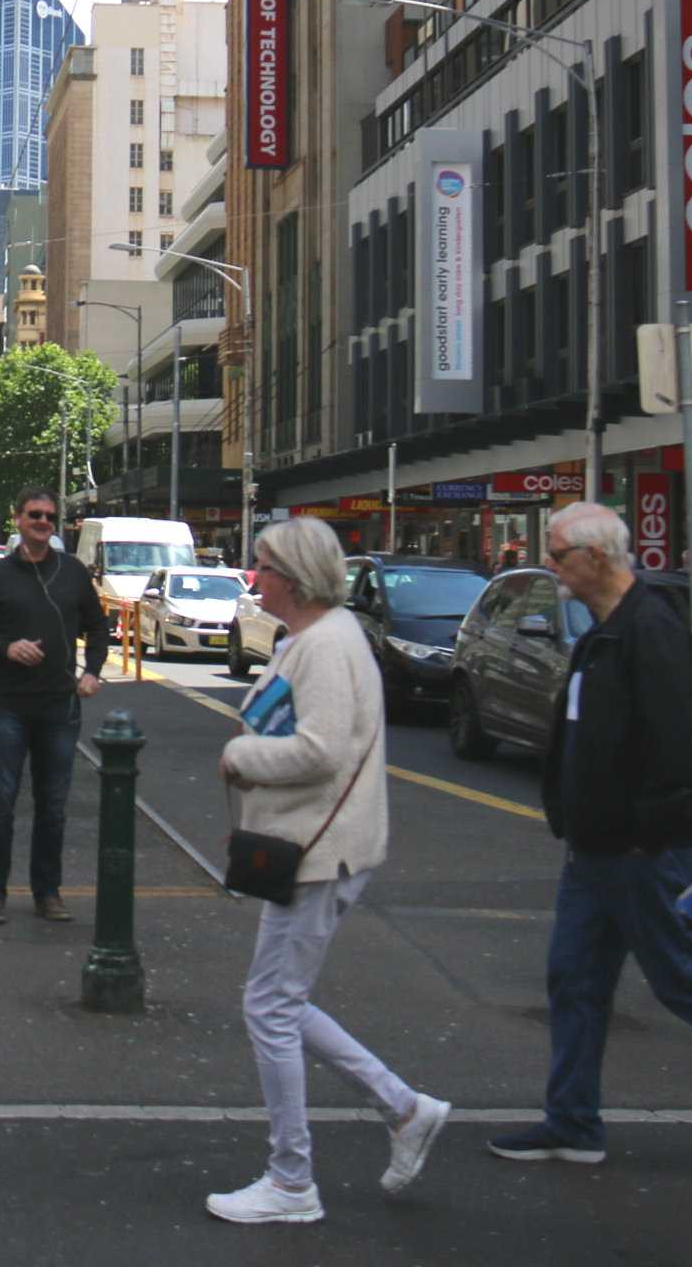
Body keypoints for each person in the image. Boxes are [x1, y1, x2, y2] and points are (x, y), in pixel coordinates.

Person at [490, 501, 692, 1167]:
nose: (550, 563)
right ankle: (572, 1121)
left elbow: (683, 753)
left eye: (559, 552)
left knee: (685, 982)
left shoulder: (647, 633)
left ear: (598, 558)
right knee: (573, 978)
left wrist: (644, 835)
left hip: (640, 852)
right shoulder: (607, 632)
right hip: (599, 850)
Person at [204, 517, 451, 1226]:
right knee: (280, 998)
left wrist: (240, 759)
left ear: (296, 575)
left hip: (321, 851)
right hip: (320, 845)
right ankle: (404, 1109)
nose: (254, 579)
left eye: (263, 567)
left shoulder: (326, 646)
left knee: (270, 1006)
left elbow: (318, 750)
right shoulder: (319, 639)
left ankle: (293, 1179)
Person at [0, 486, 109, 926]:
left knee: (53, 805)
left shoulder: (74, 573)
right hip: (6, 707)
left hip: (59, 707)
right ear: (17, 519)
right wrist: (5, 649)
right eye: (34, 515)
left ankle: (48, 892)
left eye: (49, 517)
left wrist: (92, 672)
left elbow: (98, 629)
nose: (42, 522)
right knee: (0, 803)